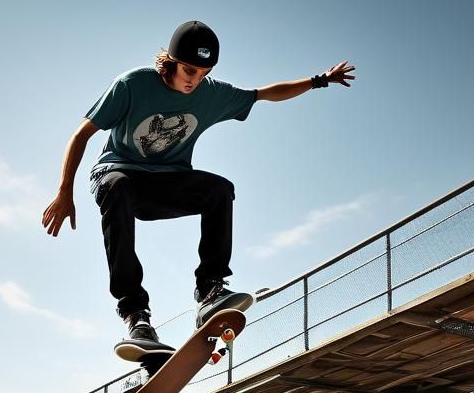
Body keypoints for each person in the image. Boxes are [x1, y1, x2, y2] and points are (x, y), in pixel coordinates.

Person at [42, 20, 356, 367]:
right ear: (171, 62)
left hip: (168, 183)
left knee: (219, 190)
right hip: (119, 175)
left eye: (203, 72)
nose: (194, 79)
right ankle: (135, 315)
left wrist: (319, 81)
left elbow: (264, 94)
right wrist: (64, 192)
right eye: (188, 70)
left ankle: (210, 290)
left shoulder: (212, 93)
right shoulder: (132, 85)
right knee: (118, 187)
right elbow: (81, 135)